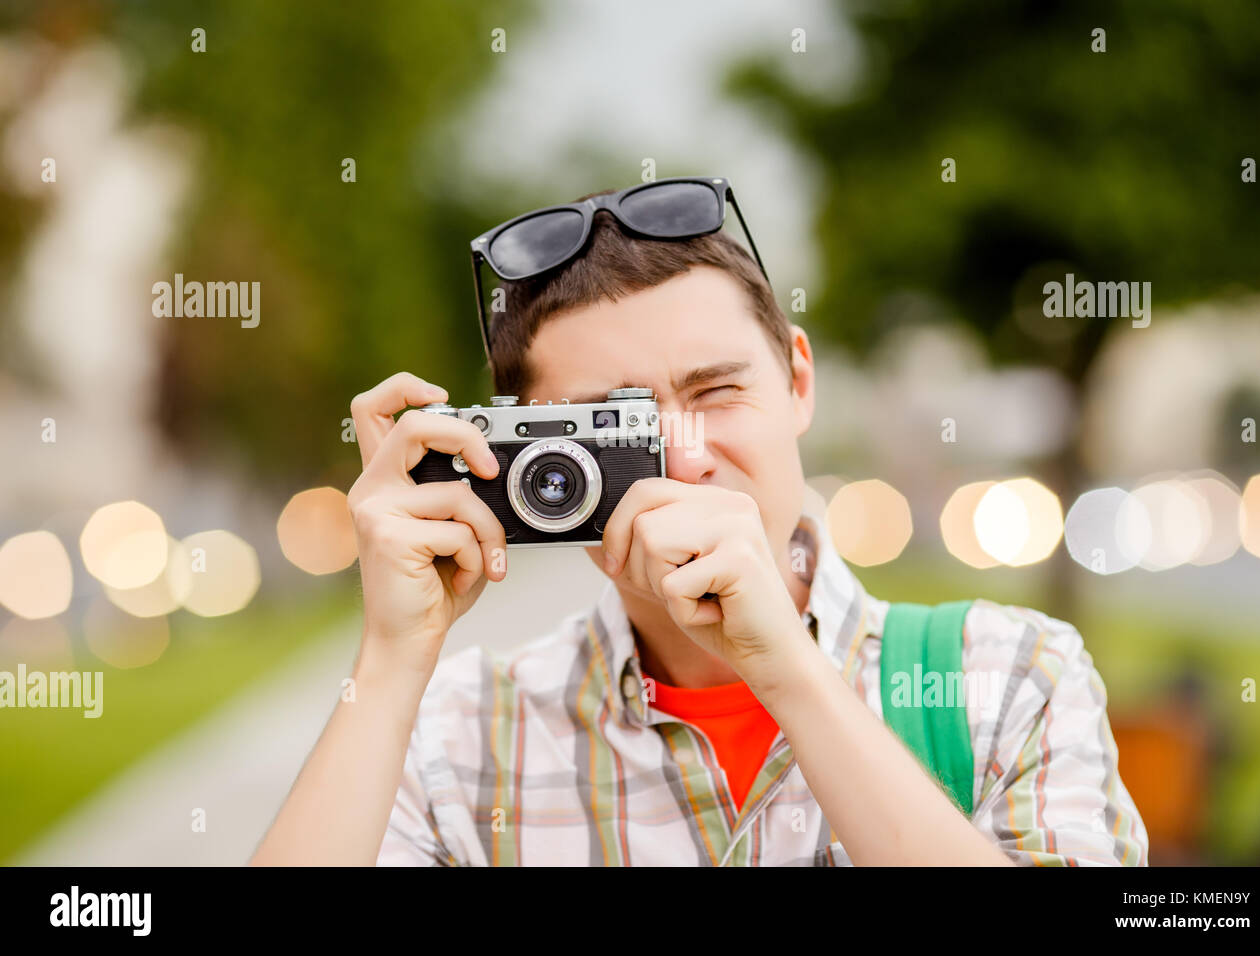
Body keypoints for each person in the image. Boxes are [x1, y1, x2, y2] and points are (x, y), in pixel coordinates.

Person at [250, 178, 1149, 866]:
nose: (682, 459)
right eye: (616, 427)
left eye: (715, 394)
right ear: (524, 461)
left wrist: (785, 668)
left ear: (798, 380)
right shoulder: (459, 736)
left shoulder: (1009, 680)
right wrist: (390, 661)